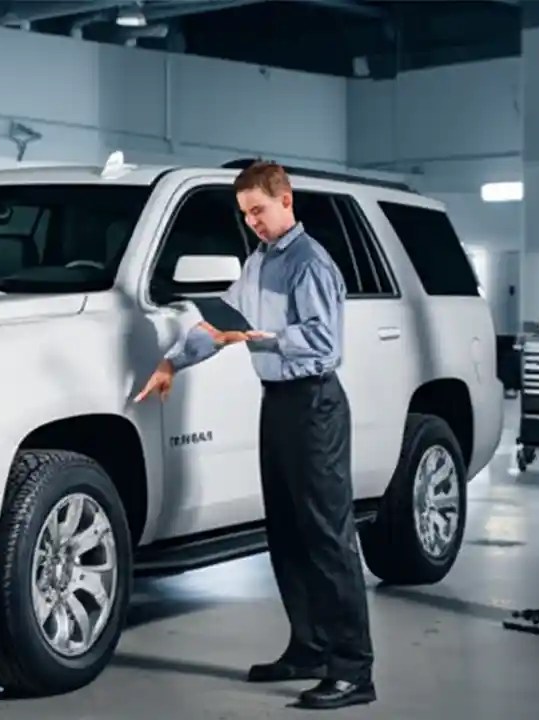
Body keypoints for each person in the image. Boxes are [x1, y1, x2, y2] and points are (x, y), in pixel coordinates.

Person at [134, 161, 375, 710]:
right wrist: (173, 362)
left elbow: (324, 344)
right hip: (280, 404)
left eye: (259, 212)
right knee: (287, 532)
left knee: (326, 536)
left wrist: (260, 336)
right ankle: (309, 647)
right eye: (246, 216)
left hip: (315, 404)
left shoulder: (310, 263)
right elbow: (222, 323)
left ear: (286, 200)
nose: (253, 224)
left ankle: (353, 669)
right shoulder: (260, 261)